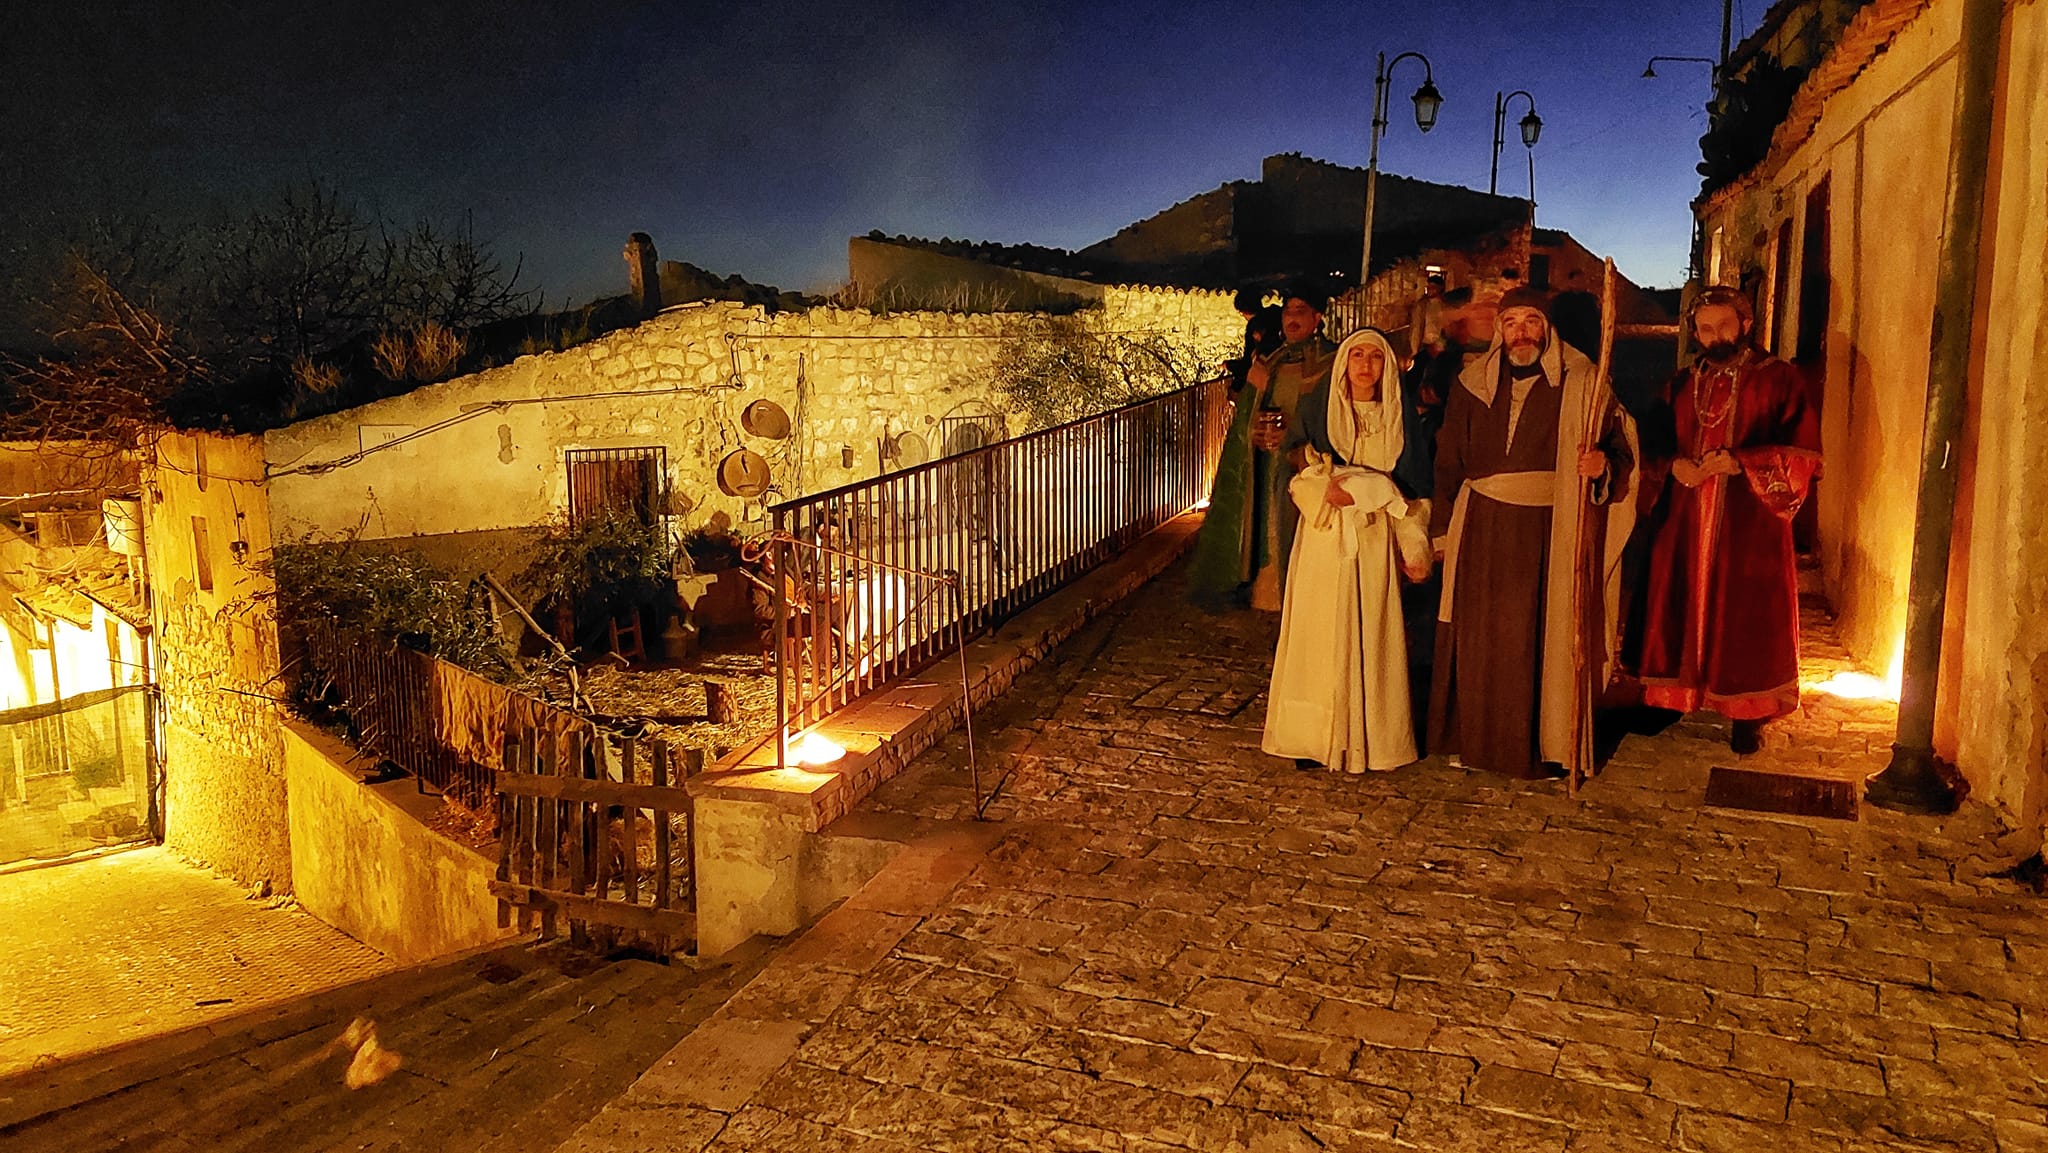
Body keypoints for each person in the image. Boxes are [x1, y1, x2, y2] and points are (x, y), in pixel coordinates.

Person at [1428, 287, 1637, 779]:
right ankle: (1476, 742)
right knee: (1479, 637)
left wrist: (1602, 463)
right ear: (1499, 331)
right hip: (1479, 526)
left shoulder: (1584, 382)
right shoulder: (1470, 384)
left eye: (1530, 321)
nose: (1521, 331)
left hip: (1548, 529)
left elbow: (1621, 445)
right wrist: (1439, 534)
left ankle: (1540, 747)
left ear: (1547, 329)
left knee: (1535, 638)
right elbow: (1447, 463)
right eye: (1511, 322)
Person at [1621, 286, 1820, 754]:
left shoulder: (1780, 379)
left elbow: (1805, 451)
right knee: (1676, 598)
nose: (1715, 336)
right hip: (1685, 517)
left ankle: (1748, 711)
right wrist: (1673, 466)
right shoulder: (1680, 384)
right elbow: (1649, 443)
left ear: (1745, 324)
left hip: (1748, 522)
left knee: (1744, 612)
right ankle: (1672, 695)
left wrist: (1743, 463)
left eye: (1724, 326)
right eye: (1705, 329)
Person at [1264, 329, 1433, 772]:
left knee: (1371, 634)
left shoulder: (1400, 418)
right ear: (1343, 363)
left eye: (1374, 357)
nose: (1364, 365)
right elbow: (1296, 460)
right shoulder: (1319, 409)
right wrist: (1326, 486)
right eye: (1355, 355)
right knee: (1317, 635)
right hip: (1325, 537)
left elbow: (1413, 486)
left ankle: (1373, 739)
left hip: (1373, 538)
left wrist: (1411, 542)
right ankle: (1313, 738)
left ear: (1386, 367)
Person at [1189, 283, 1337, 611]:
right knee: (1267, 526)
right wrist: (1253, 427)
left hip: (1307, 464)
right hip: (1268, 462)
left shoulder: (1333, 363)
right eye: (1287, 312)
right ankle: (1268, 589)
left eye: (1301, 312)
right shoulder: (1272, 360)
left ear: (1318, 318)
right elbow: (1252, 406)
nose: (1292, 319)